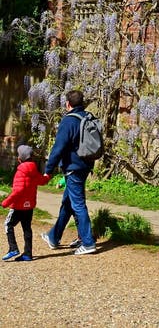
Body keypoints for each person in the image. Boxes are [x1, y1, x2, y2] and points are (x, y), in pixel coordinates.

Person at [41, 89, 97, 255]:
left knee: (78, 204)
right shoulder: (87, 117)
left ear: (67, 104)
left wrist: (48, 170)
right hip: (85, 166)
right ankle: (53, 236)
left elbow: (58, 148)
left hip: (73, 168)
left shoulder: (69, 121)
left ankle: (87, 242)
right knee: (68, 202)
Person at [2, 144, 50, 261]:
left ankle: (13, 248)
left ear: (19, 159)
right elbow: (42, 181)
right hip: (29, 206)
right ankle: (27, 254)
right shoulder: (34, 170)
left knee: (8, 225)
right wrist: (48, 175)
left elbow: (18, 190)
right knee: (27, 229)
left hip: (18, 206)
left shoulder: (20, 172)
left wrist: (5, 203)